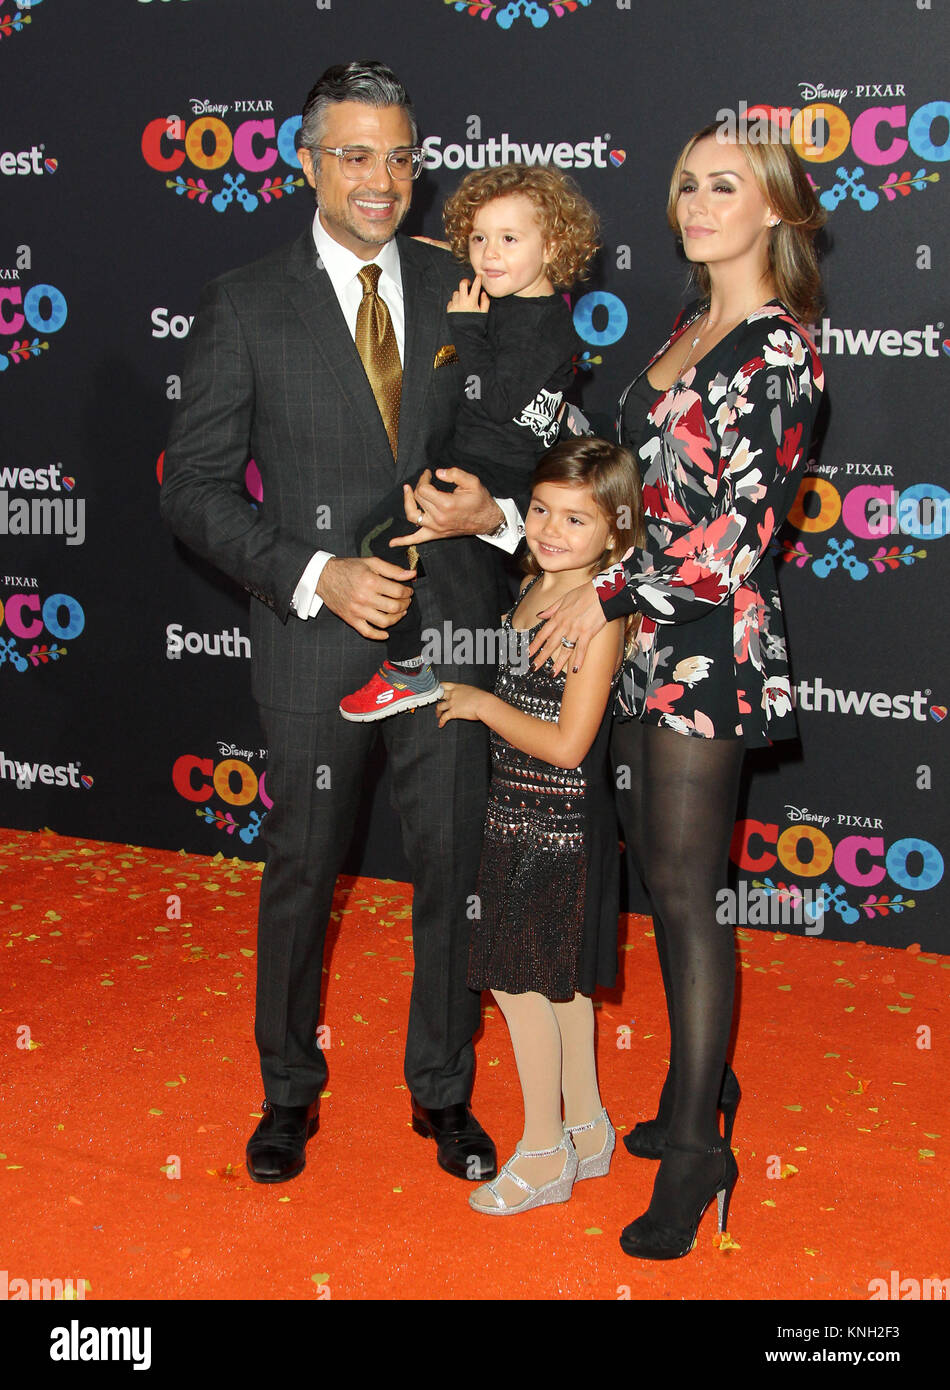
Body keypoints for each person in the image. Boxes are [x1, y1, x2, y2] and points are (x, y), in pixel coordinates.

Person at [160, 61, 525, 1186]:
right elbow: (195, 488)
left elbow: (529, 446)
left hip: (455, 637)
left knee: (453, 865)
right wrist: (317, 572)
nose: (381, 180)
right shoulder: (245, 300)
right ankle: (285, 1093)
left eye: (402, 156)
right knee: (303, 869)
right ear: (306, 161)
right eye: (356, 155)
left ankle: (444, 1091)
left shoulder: (470, 285)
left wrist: (499, 511)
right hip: (316, 638)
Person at [528, 123, 826, 1256]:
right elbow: (646, 500)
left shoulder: (774, 349)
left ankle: (699, 1147)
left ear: (777, 213)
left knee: (690, 894)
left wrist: (596, 601)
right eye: (686, 185)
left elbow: (730, 546)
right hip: (646, 636)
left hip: (706, 644)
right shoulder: (687, 324)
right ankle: (701, 1083)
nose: (697, 204)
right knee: (658, 872)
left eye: (725, 187)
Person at [436, 437, 644, 1214]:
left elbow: (567, 745)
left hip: (556, 827)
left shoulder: (597, 620)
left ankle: (542, 1151)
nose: (552, 530)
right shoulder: (531, 583)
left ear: (616, 536)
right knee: (556, 985)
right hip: (516, 816)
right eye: (540, 511)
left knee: (518, 981)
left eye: (576, 520)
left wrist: (485, 704)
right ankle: (588, 1128)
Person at [338, 163, 598, 722]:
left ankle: (406, 668)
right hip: (481, 463)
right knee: (390, 536)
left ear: (552, 245)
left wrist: (466, 329)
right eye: (479, 238)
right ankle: (410, 663)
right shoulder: (517, 298)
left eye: (508, 239)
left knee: (378, 534)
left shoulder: (545, 324)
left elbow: (495, 399)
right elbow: (478, 266)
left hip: (492, 474)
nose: (489, 254)